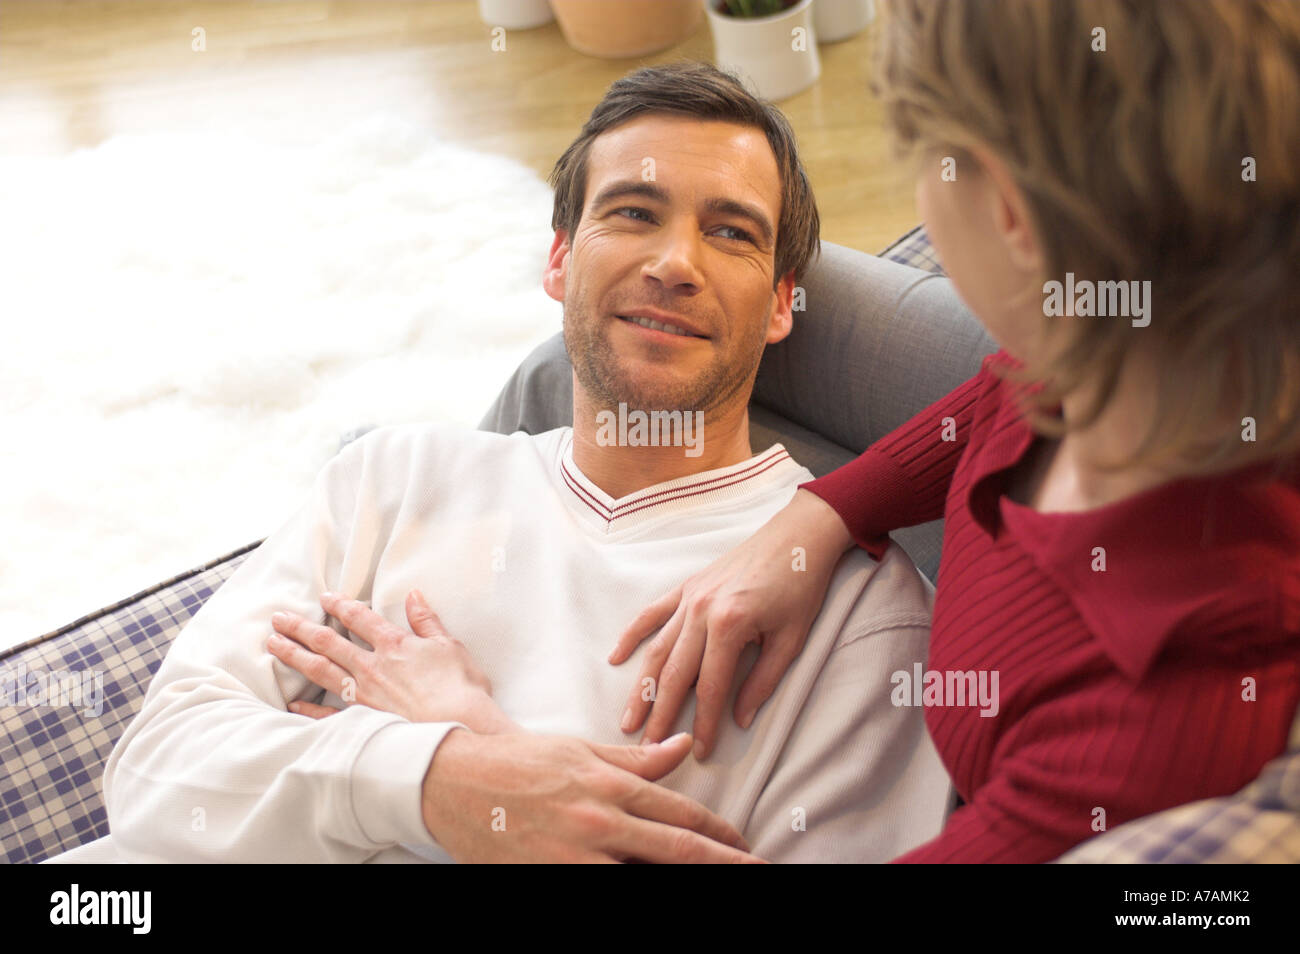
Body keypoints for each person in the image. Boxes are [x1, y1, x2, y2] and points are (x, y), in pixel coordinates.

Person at [93, 62, 953, 864]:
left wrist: (464, 750)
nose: (673, 263)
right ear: (558, 259)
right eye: (633, 212)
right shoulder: (391, 479)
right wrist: (436, 777)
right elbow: (157, 773)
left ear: (779, 305)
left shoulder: (856, 612)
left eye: (729, 232)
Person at [611, 0, 1300, 862]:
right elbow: (1005, 390)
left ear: (1008, 210)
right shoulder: (1140, 322)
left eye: (927, 166)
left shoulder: (1150, 733)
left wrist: (488, 753)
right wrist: (816, 518)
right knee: (569, 370)